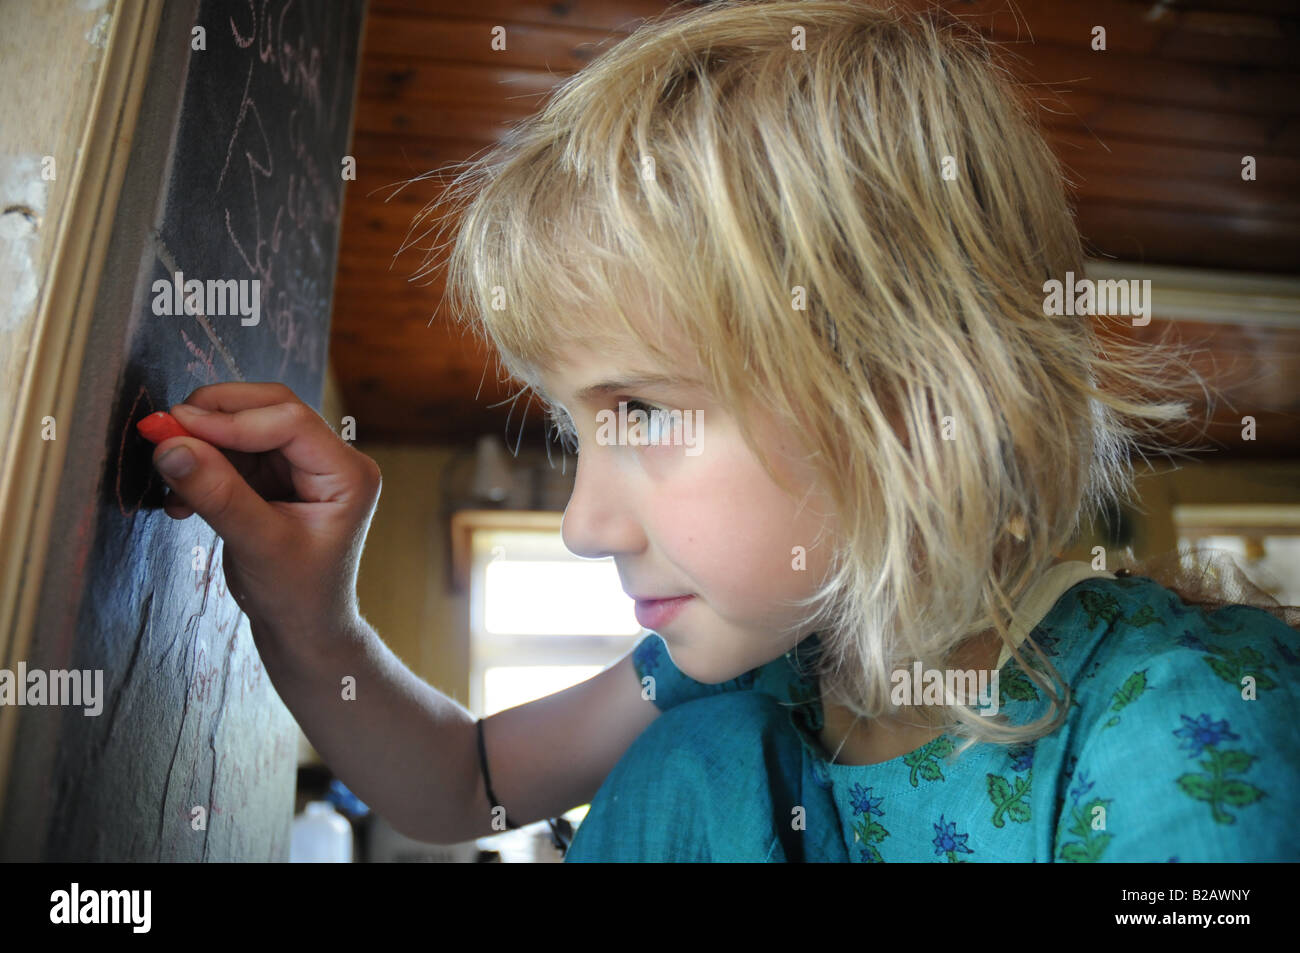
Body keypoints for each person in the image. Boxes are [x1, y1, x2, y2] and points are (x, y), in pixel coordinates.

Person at [148, 0, 1299, 861]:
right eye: (577, 429)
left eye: (641, 410)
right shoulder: (771, 656)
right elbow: (465, 782)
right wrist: (311, 621)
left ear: (912, 399)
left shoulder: (1172, 723)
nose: (585, 524)